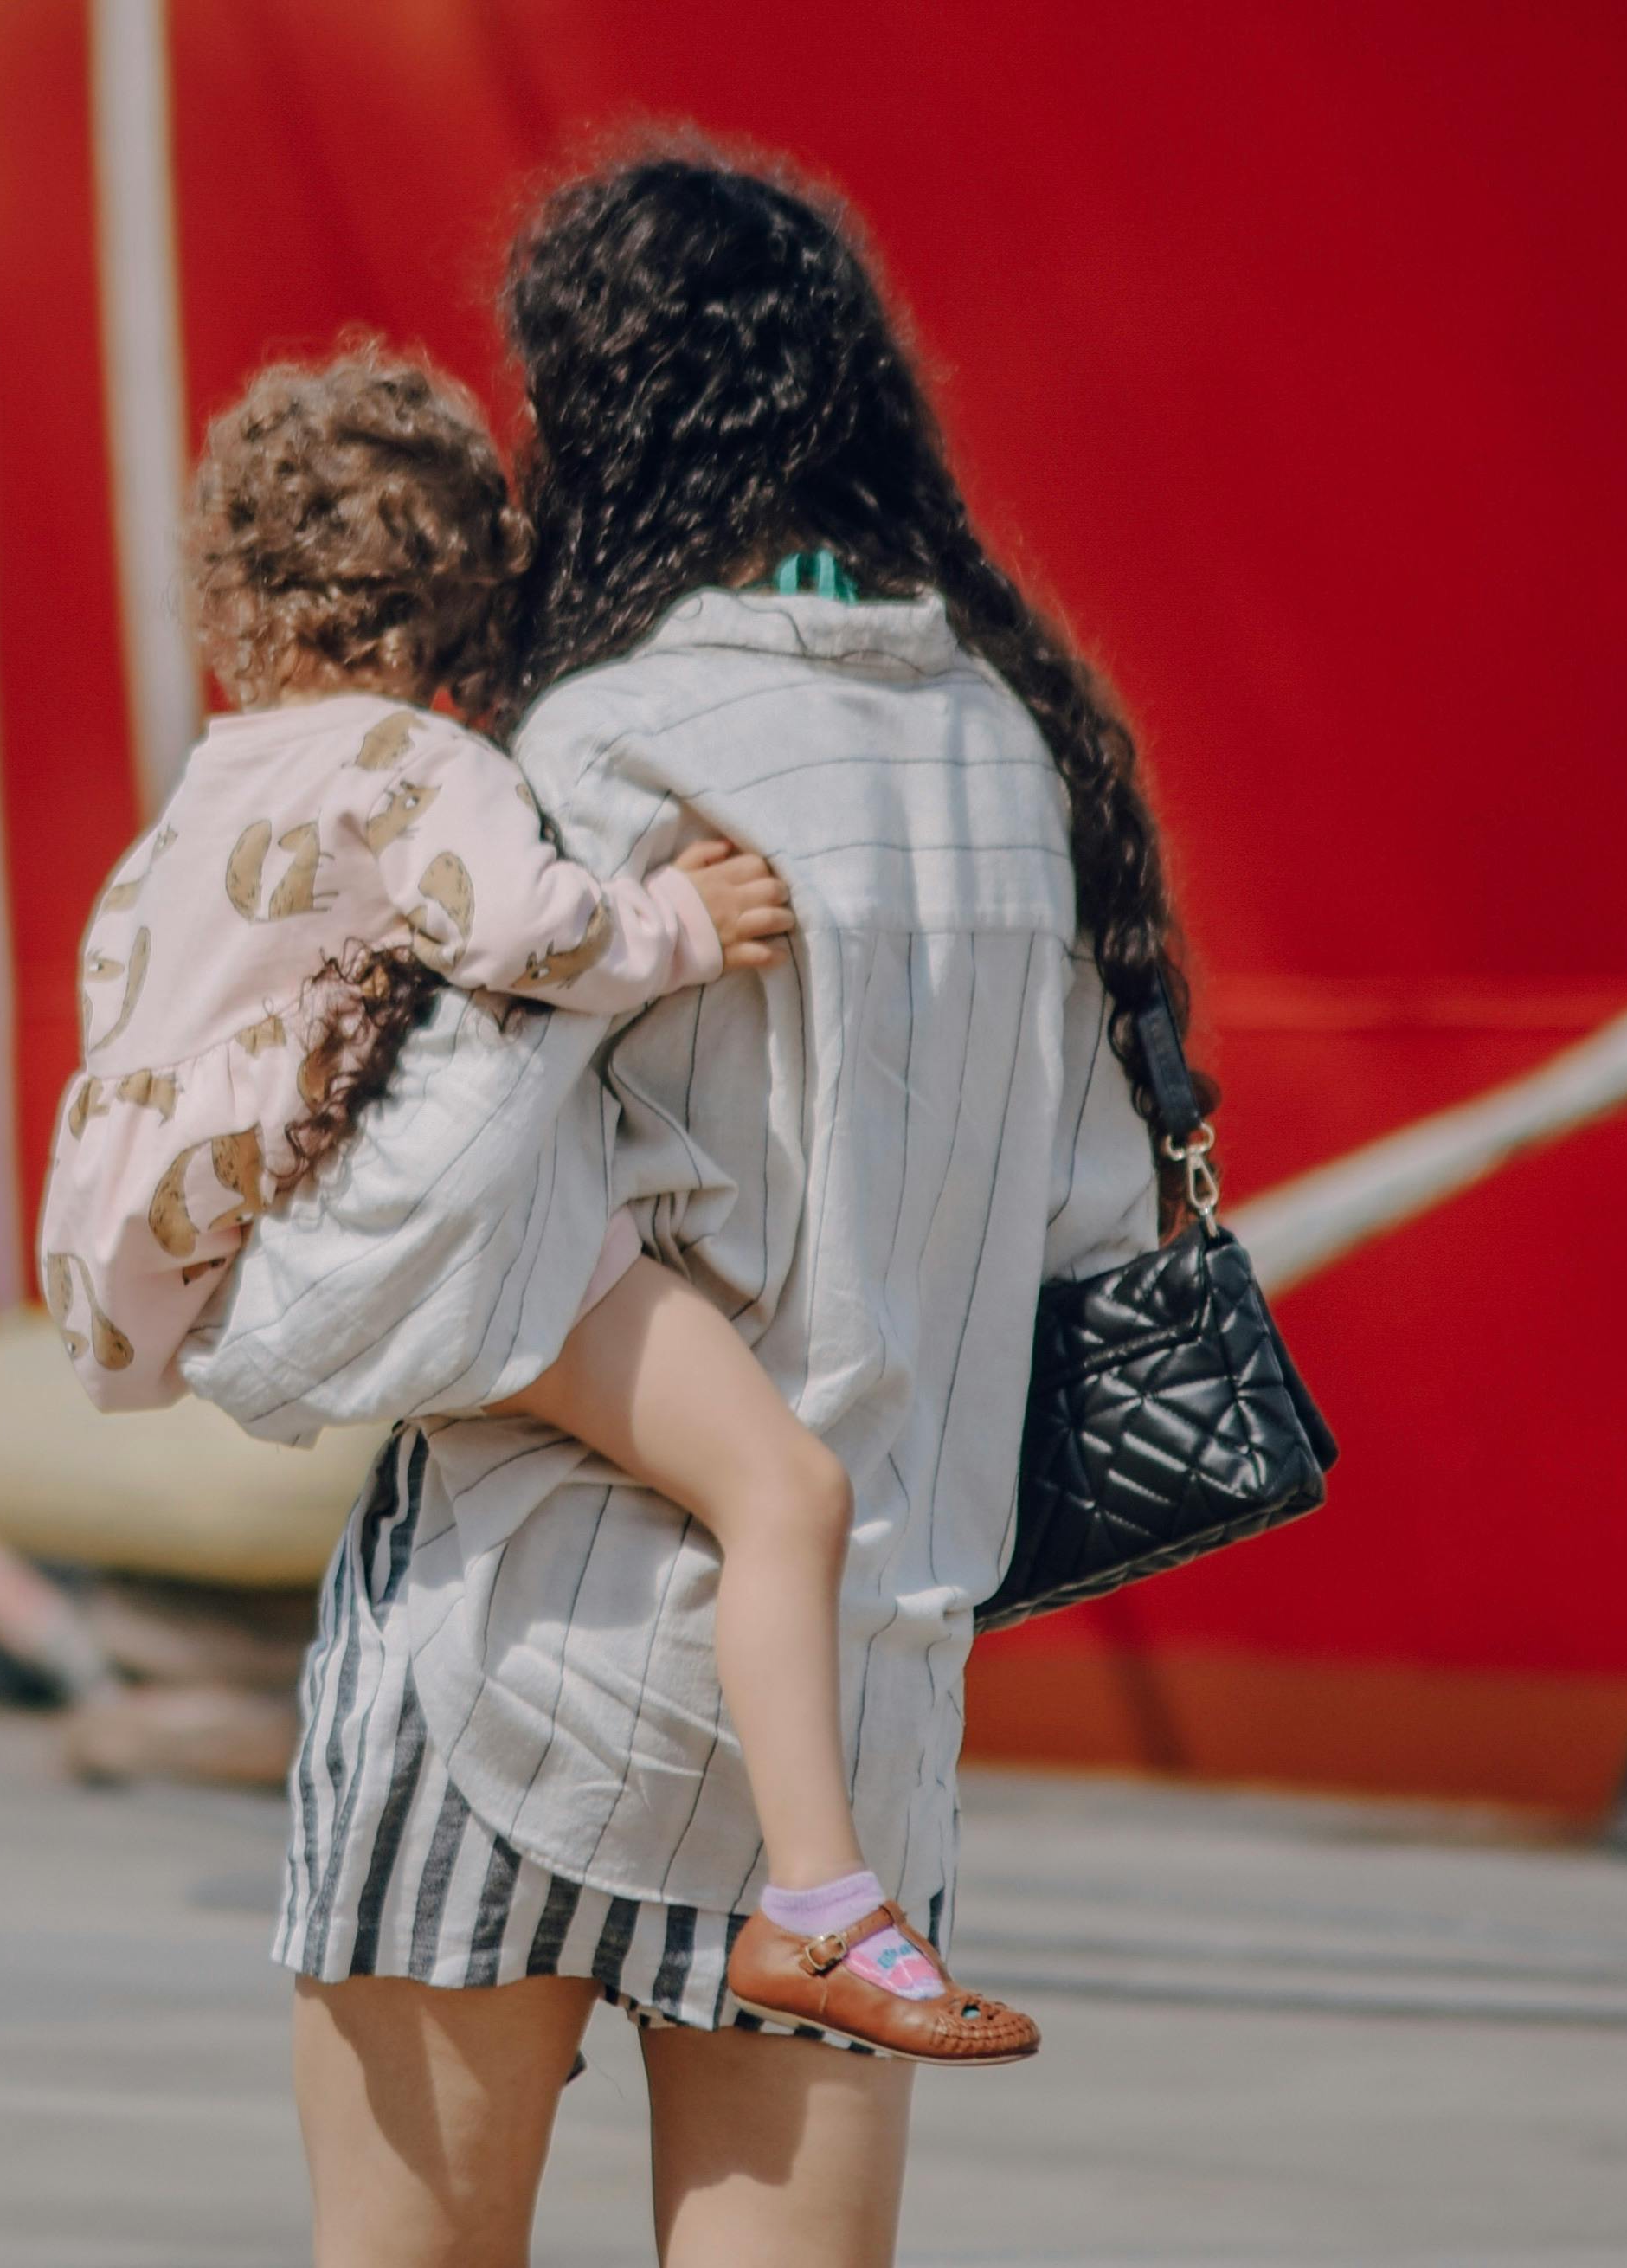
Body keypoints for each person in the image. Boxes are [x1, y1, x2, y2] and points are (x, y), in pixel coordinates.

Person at [179, 145, 1192, 2263]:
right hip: (850, 1700)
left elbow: (427, 1211)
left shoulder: (587, 752)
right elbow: (1095, 1213)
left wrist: (237, 1321)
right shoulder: (1023, 760)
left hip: (513, 1655)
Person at [35, 348, 1018, 2061]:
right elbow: (530, 931)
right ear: (472, 588)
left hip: (301, 1268)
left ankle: (575, 1932)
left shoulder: (201, 797)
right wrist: (685, 927)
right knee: (782, 1489)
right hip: (471, 1254)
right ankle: (819, 1904)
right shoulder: (424, 771)